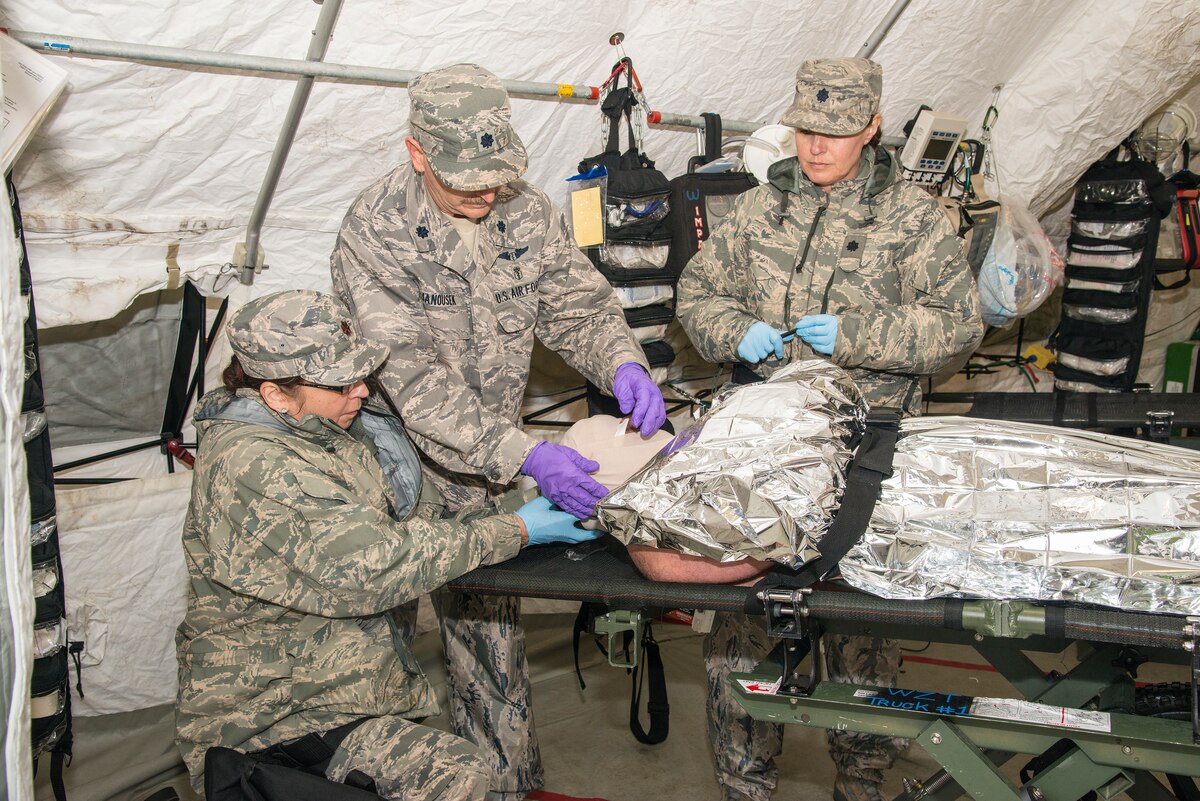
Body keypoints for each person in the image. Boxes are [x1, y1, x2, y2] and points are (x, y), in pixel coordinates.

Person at [330, 63, 666, 800]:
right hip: (397, 474)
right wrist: (527, 453)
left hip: (486, 476)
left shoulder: (527, 211)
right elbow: (411, 383)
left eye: (497, 177)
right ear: (419, 152)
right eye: (468, 182)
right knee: (371, 669)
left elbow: (579, 308)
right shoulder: (376, 231)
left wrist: (621, 363)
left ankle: (507, 790)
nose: (488, 194)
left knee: (492, 658)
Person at [675, 59, 984, 801]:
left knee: (860, 622)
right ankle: (744, 781)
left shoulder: (913, 219)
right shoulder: (757, 210)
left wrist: (858, 332)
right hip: (764, 439)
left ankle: (863, 778)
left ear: (872, 127)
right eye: (807, 129)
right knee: (744, 613)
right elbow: (696, 291)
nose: (816, 147)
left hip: (863, 442)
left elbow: (961, 327)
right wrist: (733, 330)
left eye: (836, 132)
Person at [174, 290, 598, 801]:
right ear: (275, 394)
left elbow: (411, 523)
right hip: (275, 716)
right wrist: (518, 530)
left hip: (337, 685)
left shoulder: (323, 431)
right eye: (340, 382)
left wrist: (509, 515)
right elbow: (374, 566)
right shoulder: (255, 464)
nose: (360, 391)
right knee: (452, 772)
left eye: (361, 374)